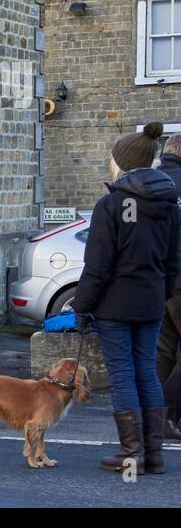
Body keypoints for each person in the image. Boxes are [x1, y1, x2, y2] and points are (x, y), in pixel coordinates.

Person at [76, 122, 179, 473]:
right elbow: (173, 261)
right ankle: (152, 455)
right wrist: (159, 295)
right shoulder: (170, 203)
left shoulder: (111, 204)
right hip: (151, 303)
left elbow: (98, 265)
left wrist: (82, 305)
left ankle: (131, 453)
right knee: (147, 373)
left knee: (123, 375)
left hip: (115, 306)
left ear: (121, 162)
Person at [153, 132, 181, 440]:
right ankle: (168, 411)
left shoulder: (153, 181)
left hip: (157, 281)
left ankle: (157, 416)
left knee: (163, 349)